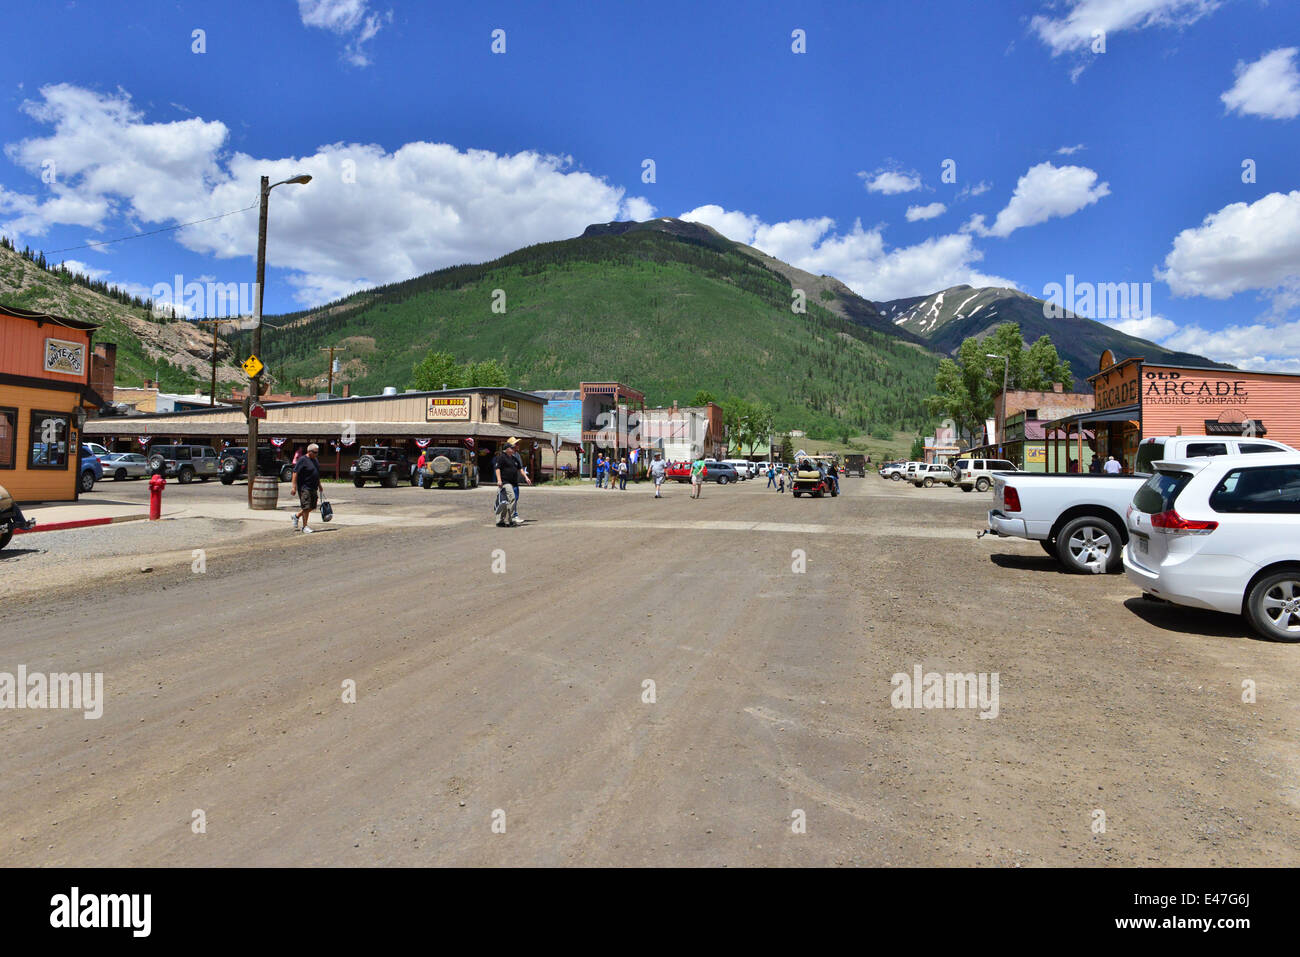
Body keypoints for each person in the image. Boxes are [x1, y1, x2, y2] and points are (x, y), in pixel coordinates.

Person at [291, 442, 322, 533]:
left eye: (317, 452)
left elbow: (316, 473)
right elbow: (295, 473)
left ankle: (296, 516)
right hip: (304, 487)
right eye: (315, 452)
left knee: (312, 506)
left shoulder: (315, 460)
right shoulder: (302, 460)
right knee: (306, 507)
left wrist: (319, 485)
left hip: (314, 487)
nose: (317, 454)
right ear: (309, 451)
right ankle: (305, 527)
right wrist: (294, 487)